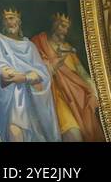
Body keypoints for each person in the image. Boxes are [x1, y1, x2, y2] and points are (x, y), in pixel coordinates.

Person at [0, 8, 59, 142]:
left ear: (19, 22)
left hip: (32, 103)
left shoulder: (29, 46)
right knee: (15, 134)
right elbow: (0, 70)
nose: (9, 22)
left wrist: (24, 77)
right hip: (11, 101)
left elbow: (43, 74)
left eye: (12, 18)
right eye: (6, 19)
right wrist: (25, 76)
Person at [32, 13, 104, 141]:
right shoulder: (39, 42)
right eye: (62, 26)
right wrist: (51, 65)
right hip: (53, 96)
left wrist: (94, 94)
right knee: (73, 134)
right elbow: (33, 69)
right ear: (54, 25)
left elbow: (82, 73)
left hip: (76, 98)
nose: (64, 30)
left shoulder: (69, 48)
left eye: (67, 27)